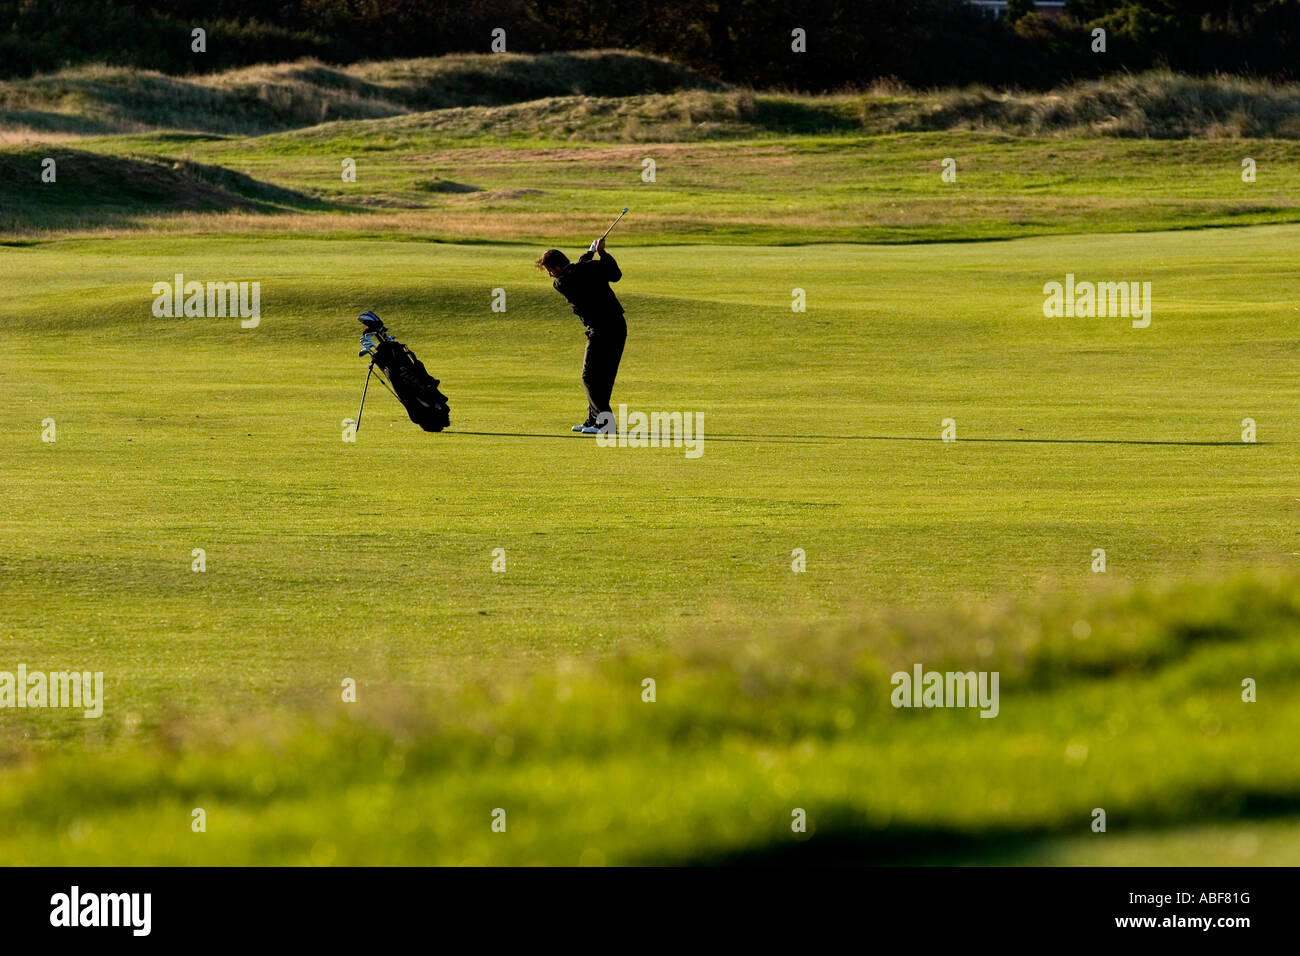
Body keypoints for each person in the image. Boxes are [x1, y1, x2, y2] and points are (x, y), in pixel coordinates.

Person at [536, 237, 626, 434]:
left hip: (604, 329)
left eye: (550, 270)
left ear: (557, 267)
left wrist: (593, 253)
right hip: (615, 325)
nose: (550, 275)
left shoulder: (562, 282)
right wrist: (600, 253)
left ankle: (606, 424)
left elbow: (606, 274)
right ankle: (594, 420)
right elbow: (612, 273)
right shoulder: (589, 268)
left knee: (591, 376)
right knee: (600, 376)